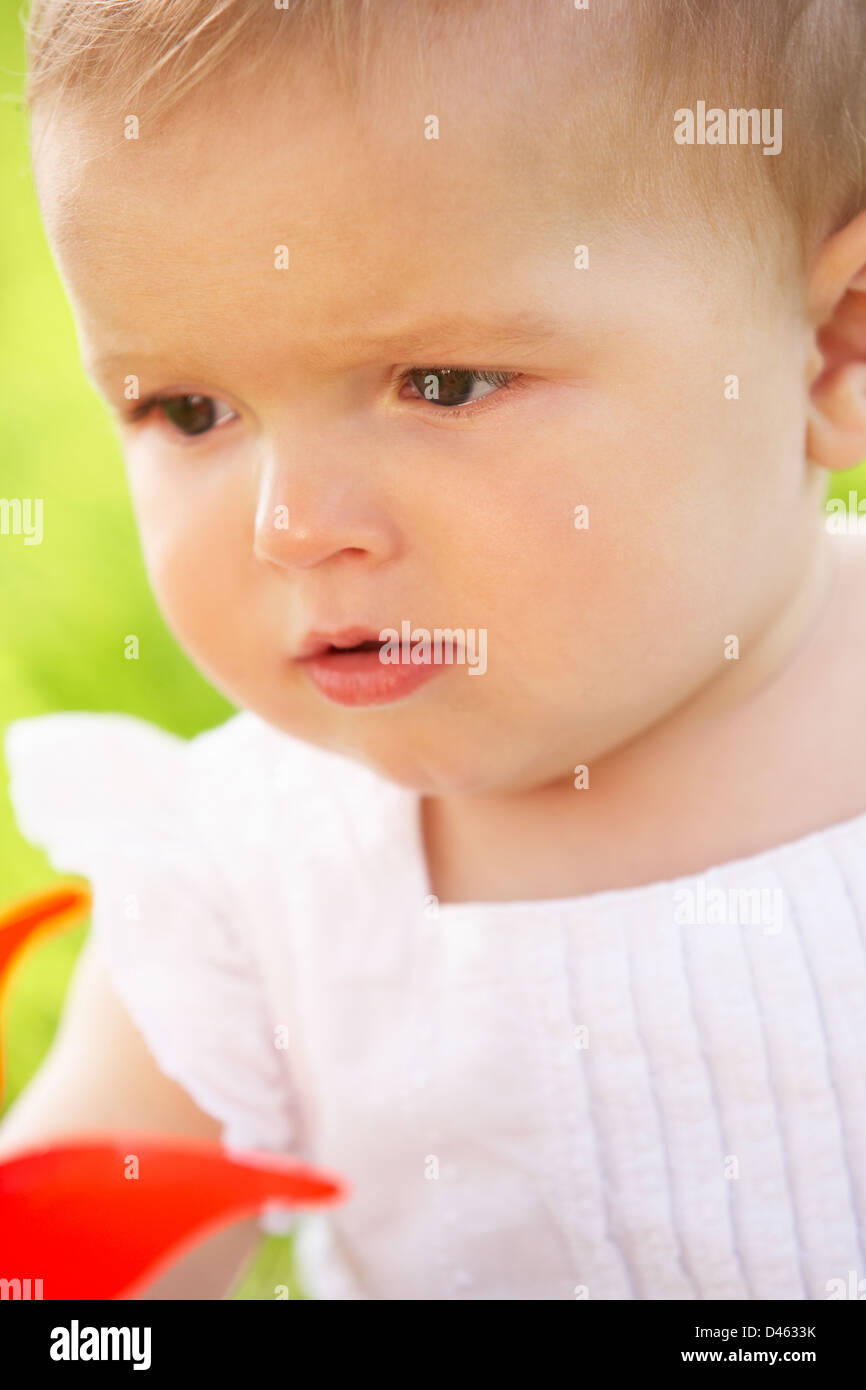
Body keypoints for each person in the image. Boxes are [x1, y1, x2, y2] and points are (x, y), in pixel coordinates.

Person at [2, 0, 866, 1299]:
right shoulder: (245, 884)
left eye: (442, 385)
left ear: (833, 346)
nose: (289, 527)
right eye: (187, 409)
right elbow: (68, 1281)